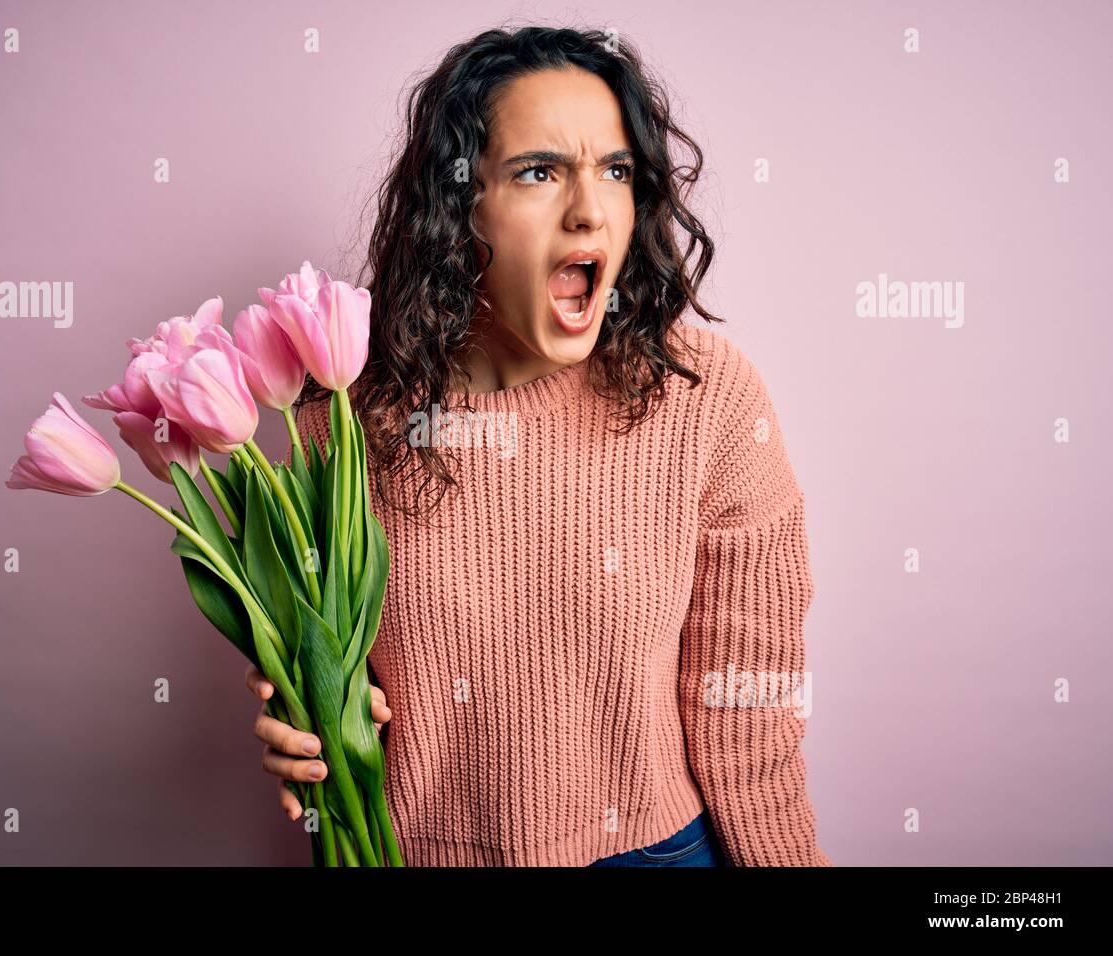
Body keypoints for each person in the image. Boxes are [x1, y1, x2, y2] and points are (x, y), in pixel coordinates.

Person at [245, 25, 830, 867]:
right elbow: (329, 686)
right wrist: (305, 721)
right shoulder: (340, 421)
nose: (589, 208)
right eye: (540, 172)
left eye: (616, 171)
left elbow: (751, 716)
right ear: (461, 203)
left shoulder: (708, 399)